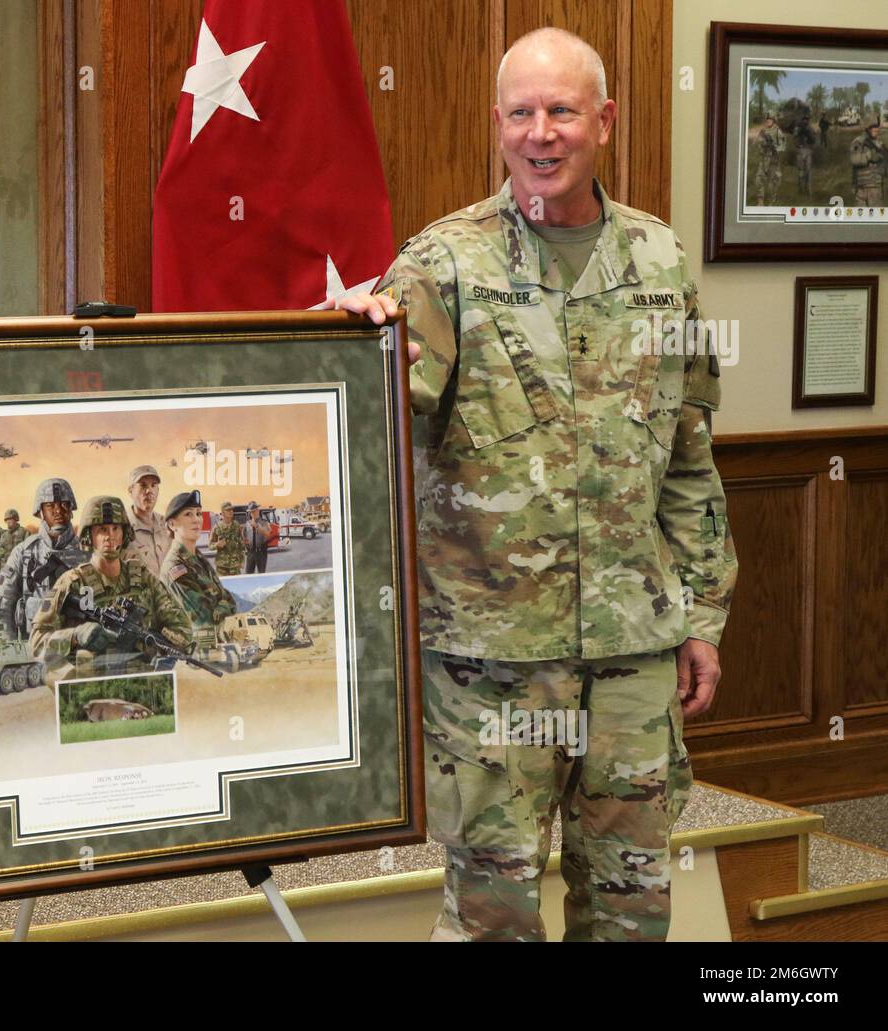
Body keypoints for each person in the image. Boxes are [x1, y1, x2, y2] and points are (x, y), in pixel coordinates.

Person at [335, 27, 737, 942]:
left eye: (561, 111)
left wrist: (702, 615)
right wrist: (351, 338)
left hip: (635, 657)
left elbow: (688, 458)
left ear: (605, 120)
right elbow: (375, 422)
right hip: (494, 666)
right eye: (521, 113)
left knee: (632, 908)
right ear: (497, 124)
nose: (541, 133)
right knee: (494, 912)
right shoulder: (442, 265)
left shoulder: (663, 265)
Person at [29, 495, 192, 676]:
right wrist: (75, 636)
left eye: (116, 529)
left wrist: (153, 644)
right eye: (102, 530)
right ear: (89, 535)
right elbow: (36, 643)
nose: (110, 537)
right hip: (90, 687)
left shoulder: (145, 579)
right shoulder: (72, 582)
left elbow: (182, 629)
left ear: (125, 533)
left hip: (141, 680)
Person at [0, 478, 85, 640]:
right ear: (40, 511)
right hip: (35, 651)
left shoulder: (87, 552)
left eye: (64, 504)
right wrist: (14, 651)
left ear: (71, 509)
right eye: (50, 506)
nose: (58, 511)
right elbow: (1, 609)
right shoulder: (23, 552)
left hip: (80, 652)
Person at [158, 490, 238, 644]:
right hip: (198, 650)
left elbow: (230, 599)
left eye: (199, 513)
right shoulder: (175, 567)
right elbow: (204, 619)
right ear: (172, 524)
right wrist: (223, 606)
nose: (197, 520)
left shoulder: (198, 557)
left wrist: (221, 607)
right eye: (188, 514)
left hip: (216, 644)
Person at [124, 465, 172, 574]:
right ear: (130, 491)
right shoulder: (121, 527)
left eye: (153, 485)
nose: (148, 491)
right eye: (143, 485)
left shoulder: (166, 525)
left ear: (158, 490)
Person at [850, 122, 885, 207]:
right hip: (862, 186)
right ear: (868, 128)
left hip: (876, 185)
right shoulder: (859, 141)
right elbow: (854, 159)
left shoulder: (879, 143)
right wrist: (869, 156)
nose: (876, 129)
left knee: (876, 217)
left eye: (877, 126)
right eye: (873, 126)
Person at [209, 501, 247, 576]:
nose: (231, 512)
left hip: (235, 565)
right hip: (222, 566)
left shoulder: (236, 525)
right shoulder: (217, 527)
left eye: (232, 510)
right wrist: (217, 544)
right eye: (228, 510)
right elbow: (210, 546)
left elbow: (241, 545)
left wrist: (242, 561)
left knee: (236, 586)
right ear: (223, 512)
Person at [756, 111, 786, 205]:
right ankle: (760, 201)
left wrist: (775, 147)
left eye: (770, 119)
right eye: (767, 119)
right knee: (759, 179)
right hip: (764, 159)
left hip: (773, 160)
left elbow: (783, 145)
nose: (768, 121)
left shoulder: (778, 131)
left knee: (773, 182)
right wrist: (762, 145)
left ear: (774, 120)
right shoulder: (763, 131)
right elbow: (758, 142)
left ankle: (772, 201)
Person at [0, 508, 27, 579]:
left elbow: (29, 552)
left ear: (16, 519)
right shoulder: (4, 535)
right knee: (6, 586)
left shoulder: (24, 532)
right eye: (7, 520)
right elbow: (0, 552)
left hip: (20, 567)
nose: (8, 521)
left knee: (20, 588)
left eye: (11, 519)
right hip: (7, 567)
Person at [242, 502, 272, 574]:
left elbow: (268, 534)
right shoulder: (247, 523)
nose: (252, 513)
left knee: (261, 575)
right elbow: (244, 535)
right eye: (251, 512)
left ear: (258, 510)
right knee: (248, 575)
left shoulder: (264, 522)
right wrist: (245, 543)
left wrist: (257, 526)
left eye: (254, 511)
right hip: (250, 553)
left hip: (261, 553)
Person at [794, 115, 817, 196]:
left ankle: (808, 189)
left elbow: (814, 139)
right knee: (800, 171)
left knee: (808, 171)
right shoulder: (798, 128)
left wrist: (808, 133)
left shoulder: (810, 128)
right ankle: (800, 188)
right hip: (800, 151)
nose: (805, 121)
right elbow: (795, 137)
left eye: (806, 119)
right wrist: (800, 131)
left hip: (808, 151)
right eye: (804, 119)